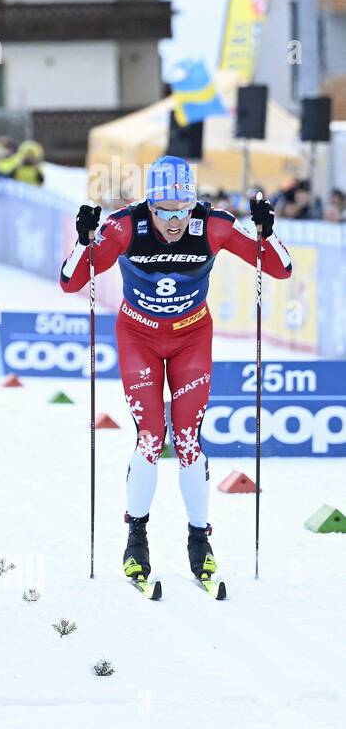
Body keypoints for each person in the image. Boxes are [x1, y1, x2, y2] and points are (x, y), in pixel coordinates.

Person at [58, 156, 292, 590]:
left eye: (183, 209)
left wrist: (267, 231)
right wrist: (84, 240)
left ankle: (199, 540)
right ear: (150, 205)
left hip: (191, 339)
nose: (174, 221)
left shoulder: (216, 225)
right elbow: (72, 281)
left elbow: (280, 268)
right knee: (150, 437)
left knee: (187, 438)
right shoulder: (127, 226)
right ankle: (136, 539)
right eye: (164, 210)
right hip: (138, 337)